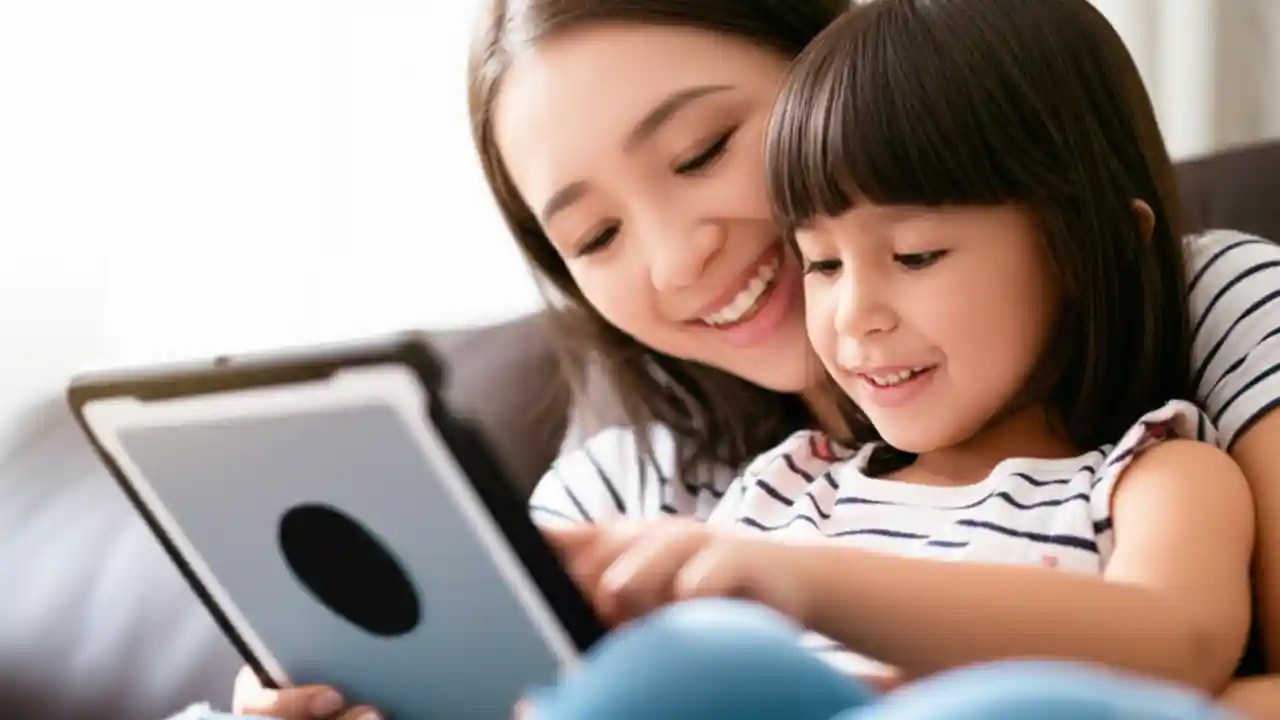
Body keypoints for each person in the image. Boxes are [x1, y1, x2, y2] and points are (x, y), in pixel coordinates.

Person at [232, 0, 1280, 718]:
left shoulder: (1160, 459)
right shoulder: (763, 488)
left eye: (700, 153)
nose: (680, 256)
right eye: (592, 238)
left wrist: (804, 597)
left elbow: (1174, 643)